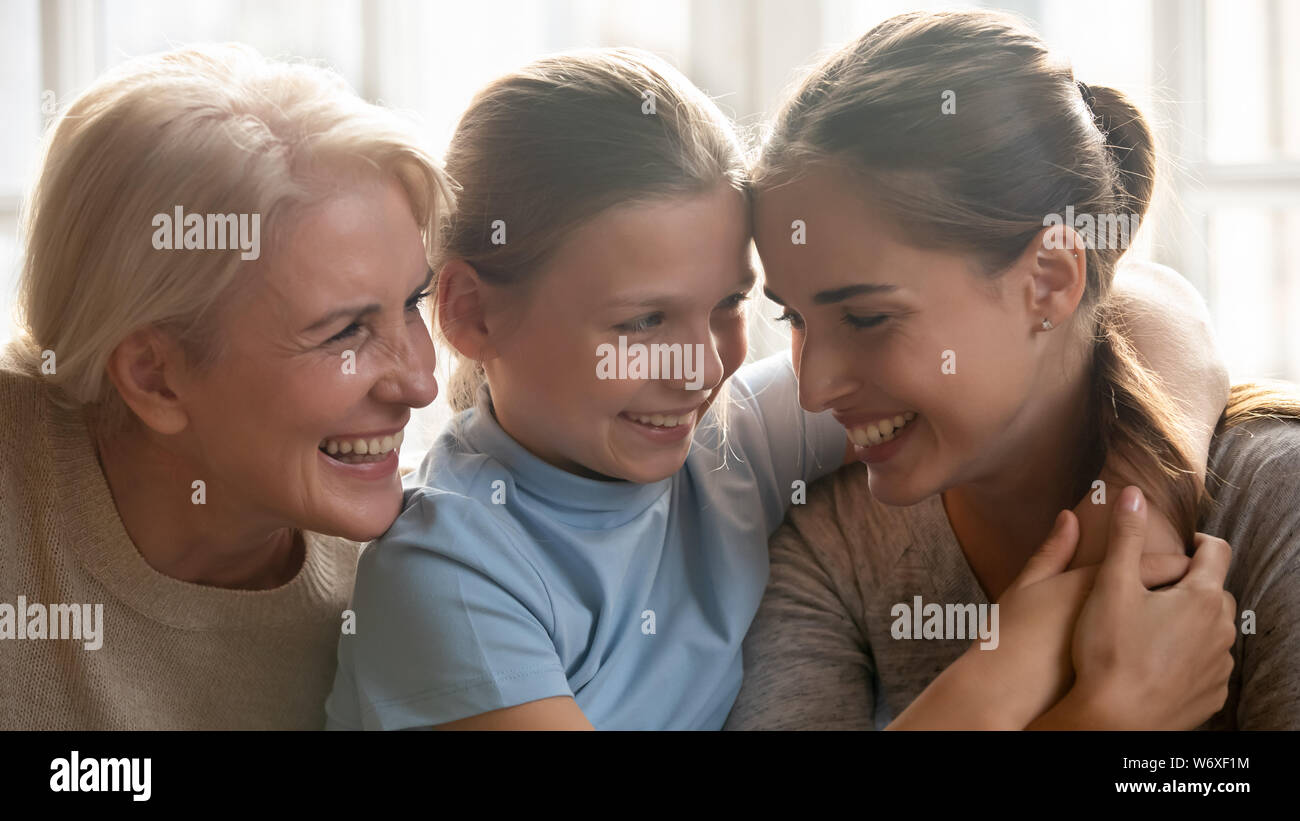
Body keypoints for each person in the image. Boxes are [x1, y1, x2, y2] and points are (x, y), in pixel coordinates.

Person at [326, 48, 1235, 731]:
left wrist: (1139, 524)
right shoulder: (447, 574)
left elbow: (1145, 303)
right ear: (473, 315)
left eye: (726, 305)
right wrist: (1030, 670)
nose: (701, 368)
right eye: (642, 323)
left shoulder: (725, 450)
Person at [724, 9, 1300, 730]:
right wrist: (1096, 717)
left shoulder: (1275, 507)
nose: (812, 389)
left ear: (1051, 280)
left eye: (867, 317)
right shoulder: (830, 547)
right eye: (795, 318)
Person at [0, 43, 451, 729]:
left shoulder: (428, 574)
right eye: (345, 333)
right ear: (156, 377)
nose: (421, 382)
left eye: (412, 302)